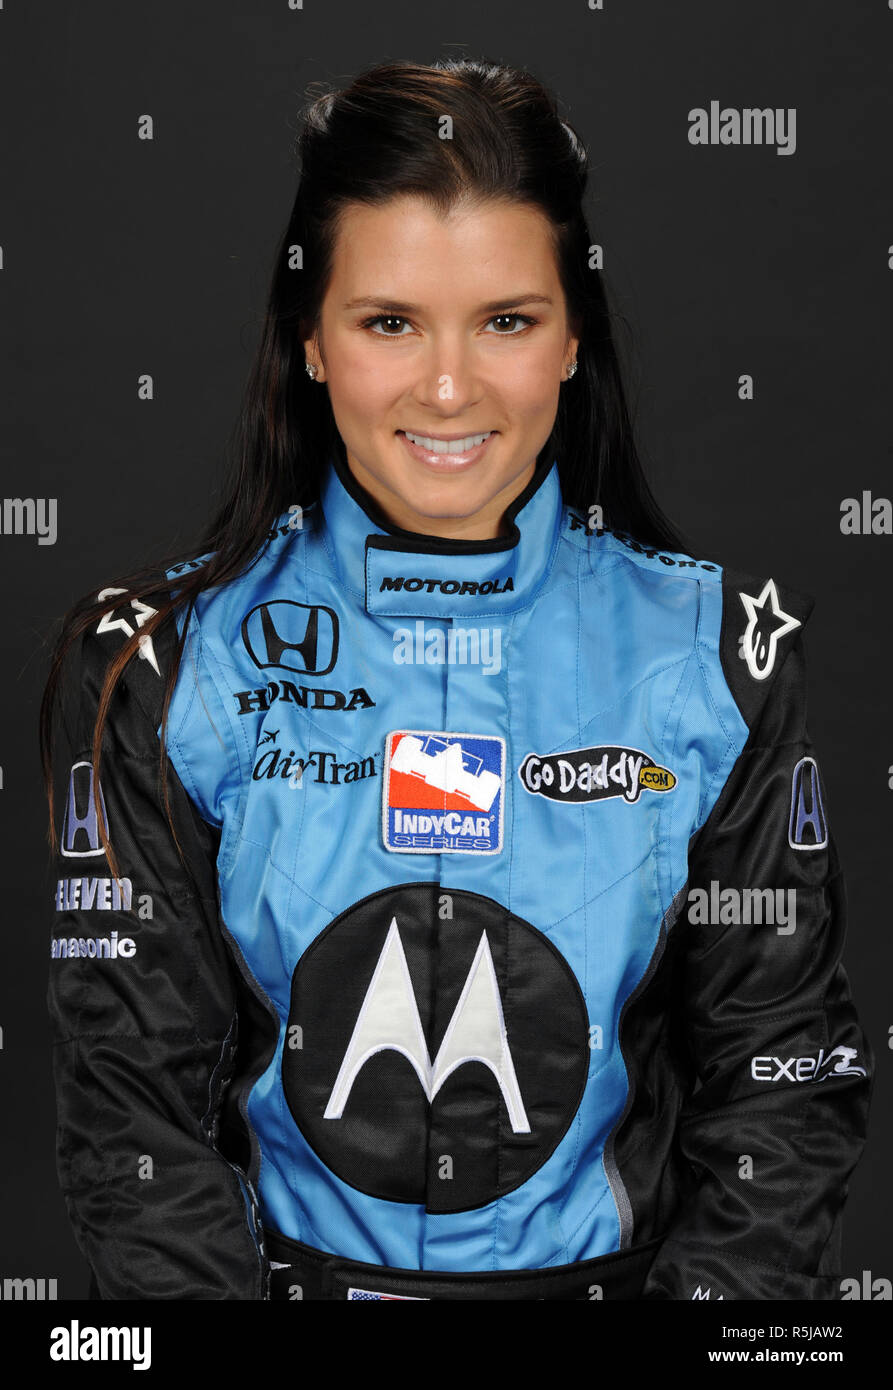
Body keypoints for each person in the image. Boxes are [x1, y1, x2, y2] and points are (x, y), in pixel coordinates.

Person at [40, 57, 873, 1301]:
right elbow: (128, 1115)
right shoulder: (157, 663)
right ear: (310, 340)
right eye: (388, 322)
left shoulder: (711, 657)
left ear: (571, 336)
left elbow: (781, 1085)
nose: (447, 386)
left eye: (505, 320)